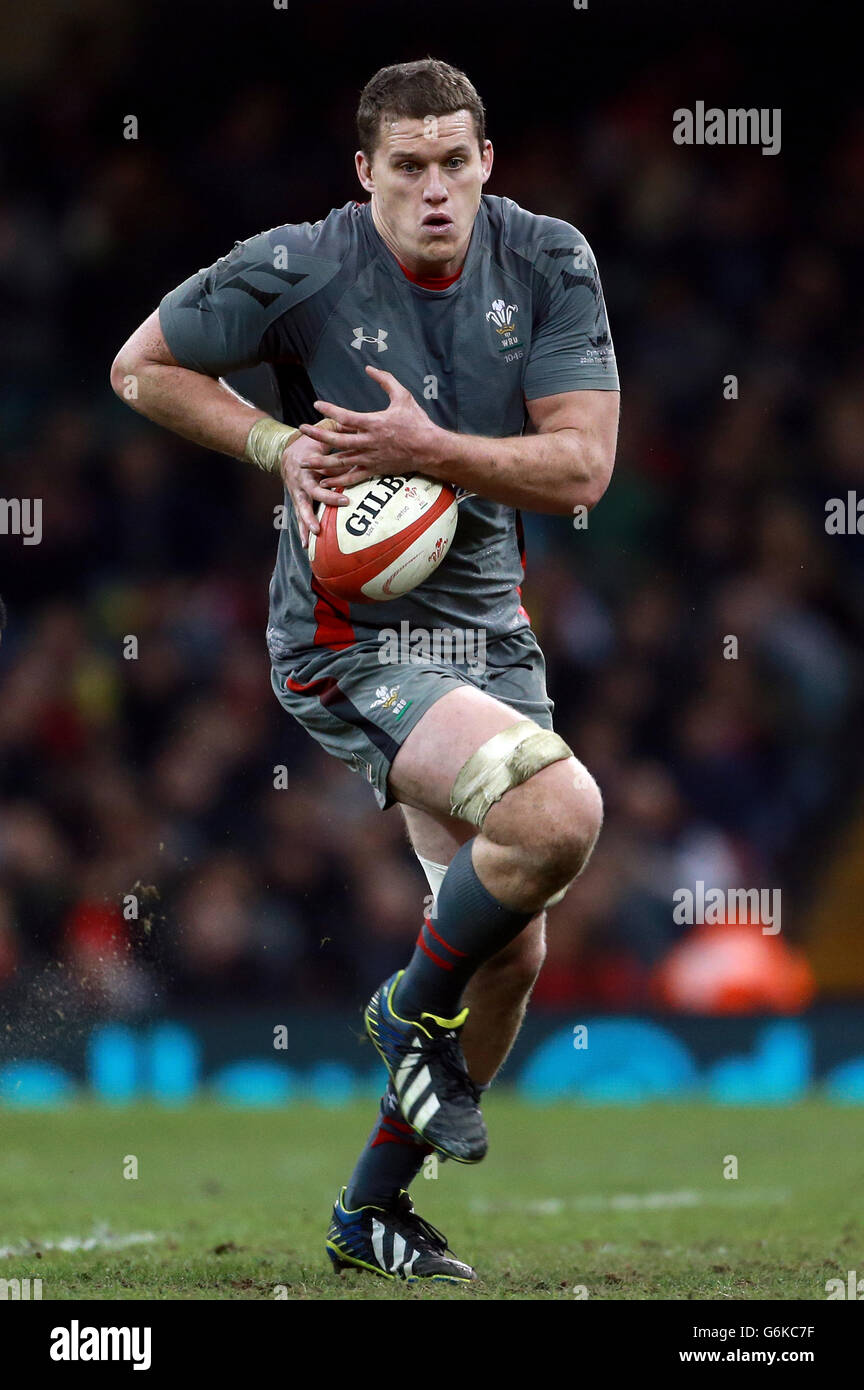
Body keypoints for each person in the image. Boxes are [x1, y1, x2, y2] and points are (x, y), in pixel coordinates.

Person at [111, 56, 619, 1284]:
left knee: (516, 952)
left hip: (486, 636)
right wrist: (277, 441)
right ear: (367, 173)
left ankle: (371, 1211)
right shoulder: (303, 264)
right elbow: (141, 367)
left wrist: (426, 447)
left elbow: (584, 468)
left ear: (487, 162)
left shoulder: (549, 261)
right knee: (561, 812)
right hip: (346, 641)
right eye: (409, 166)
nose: (434, 188)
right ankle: (405, 1012)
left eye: (456, 162)